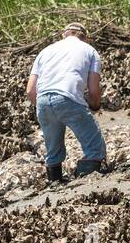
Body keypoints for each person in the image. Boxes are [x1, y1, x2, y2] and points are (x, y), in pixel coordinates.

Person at [26, 22, 107, 183]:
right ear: (85, 38)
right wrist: (95, 106)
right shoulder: (90, 51)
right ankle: (85, 180)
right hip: (68, 98)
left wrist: (44, 109)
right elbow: (93, 89)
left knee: (53, 151)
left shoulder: (45, 51)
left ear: (65, 34)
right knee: (95, 148)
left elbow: (30, 91)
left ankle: (55, 181)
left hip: (42, 100)